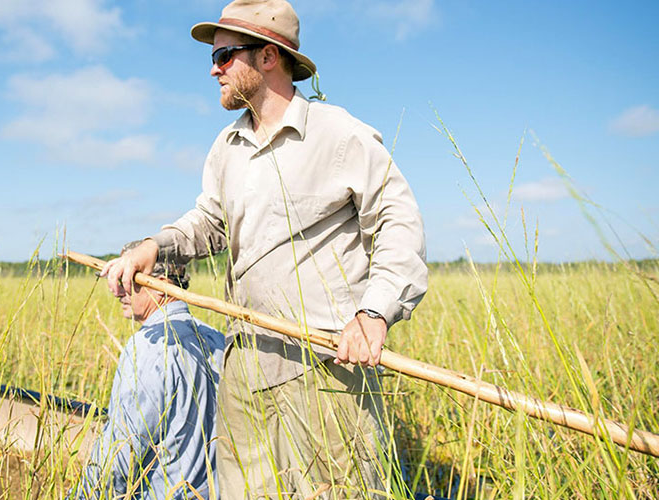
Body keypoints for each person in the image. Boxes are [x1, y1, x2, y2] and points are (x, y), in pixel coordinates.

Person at [102, 0, 428, 497]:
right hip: (245, 365)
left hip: (324, 365)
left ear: (269, 57)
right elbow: (209, 222)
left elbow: (397, 221)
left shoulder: (338, 135)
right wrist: (155, 246)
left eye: (225, 56)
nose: (213, 69)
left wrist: (374, 314)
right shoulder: (225, 147)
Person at [73, 241, 225, 500]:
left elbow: (123, 447)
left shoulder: (149, 346)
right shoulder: (216, 338)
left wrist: (82, 495)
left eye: (126, 279)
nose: (118, 291)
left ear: (160, 285)